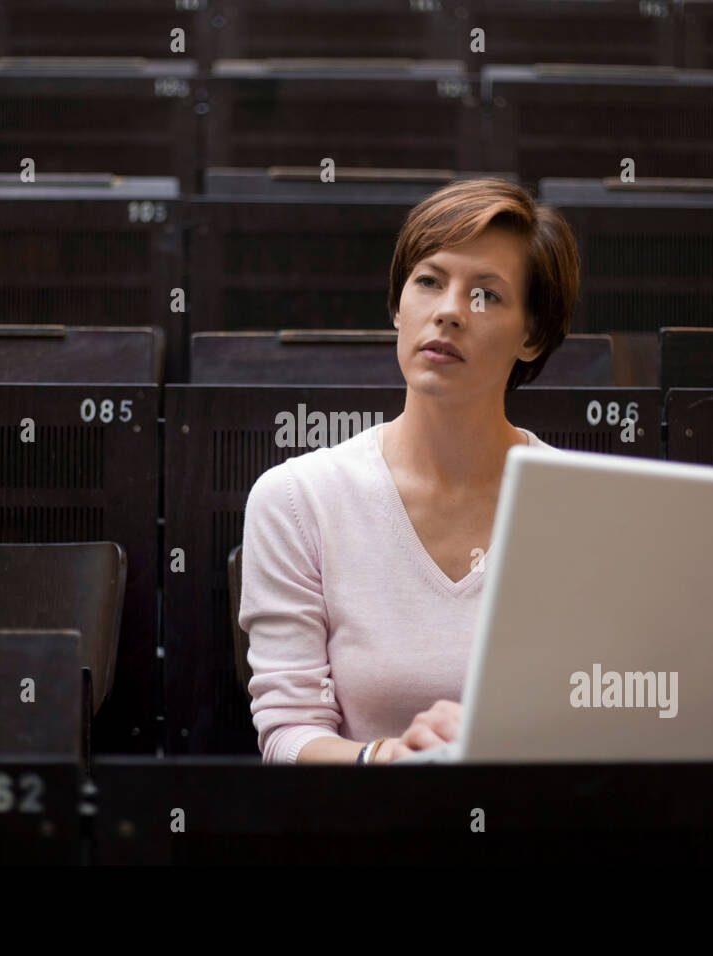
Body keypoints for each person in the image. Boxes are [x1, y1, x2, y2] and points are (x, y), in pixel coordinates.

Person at [240, 177, 580, 764]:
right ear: (398, 307)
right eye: (428, 282)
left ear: (533, 335)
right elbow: (287, 734)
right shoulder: (296, 497)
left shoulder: (587, 505)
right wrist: (389, 759)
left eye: (487, 295)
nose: (448, 312)